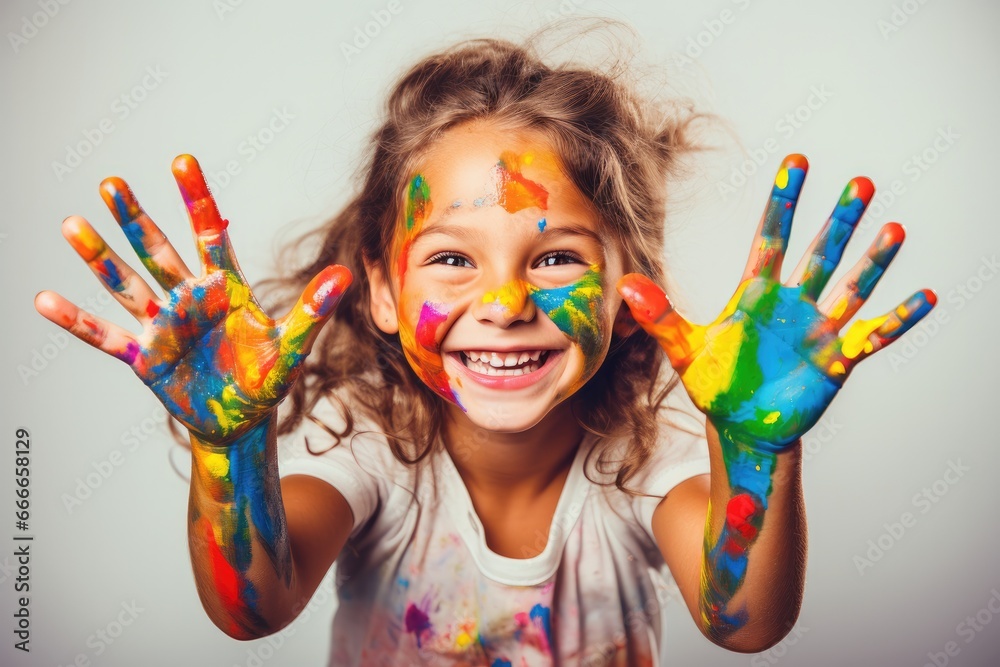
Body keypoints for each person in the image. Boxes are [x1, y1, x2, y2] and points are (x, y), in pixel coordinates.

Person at [34, 32, 935, 667]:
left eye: (552, 258)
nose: (504, 303)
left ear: (632, 288)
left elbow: (745, 625)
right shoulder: (367, 441)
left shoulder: (648, 448)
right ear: (384, 292)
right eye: (453, 258)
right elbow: (253, 608)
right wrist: (229, 447)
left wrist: (757, 450)